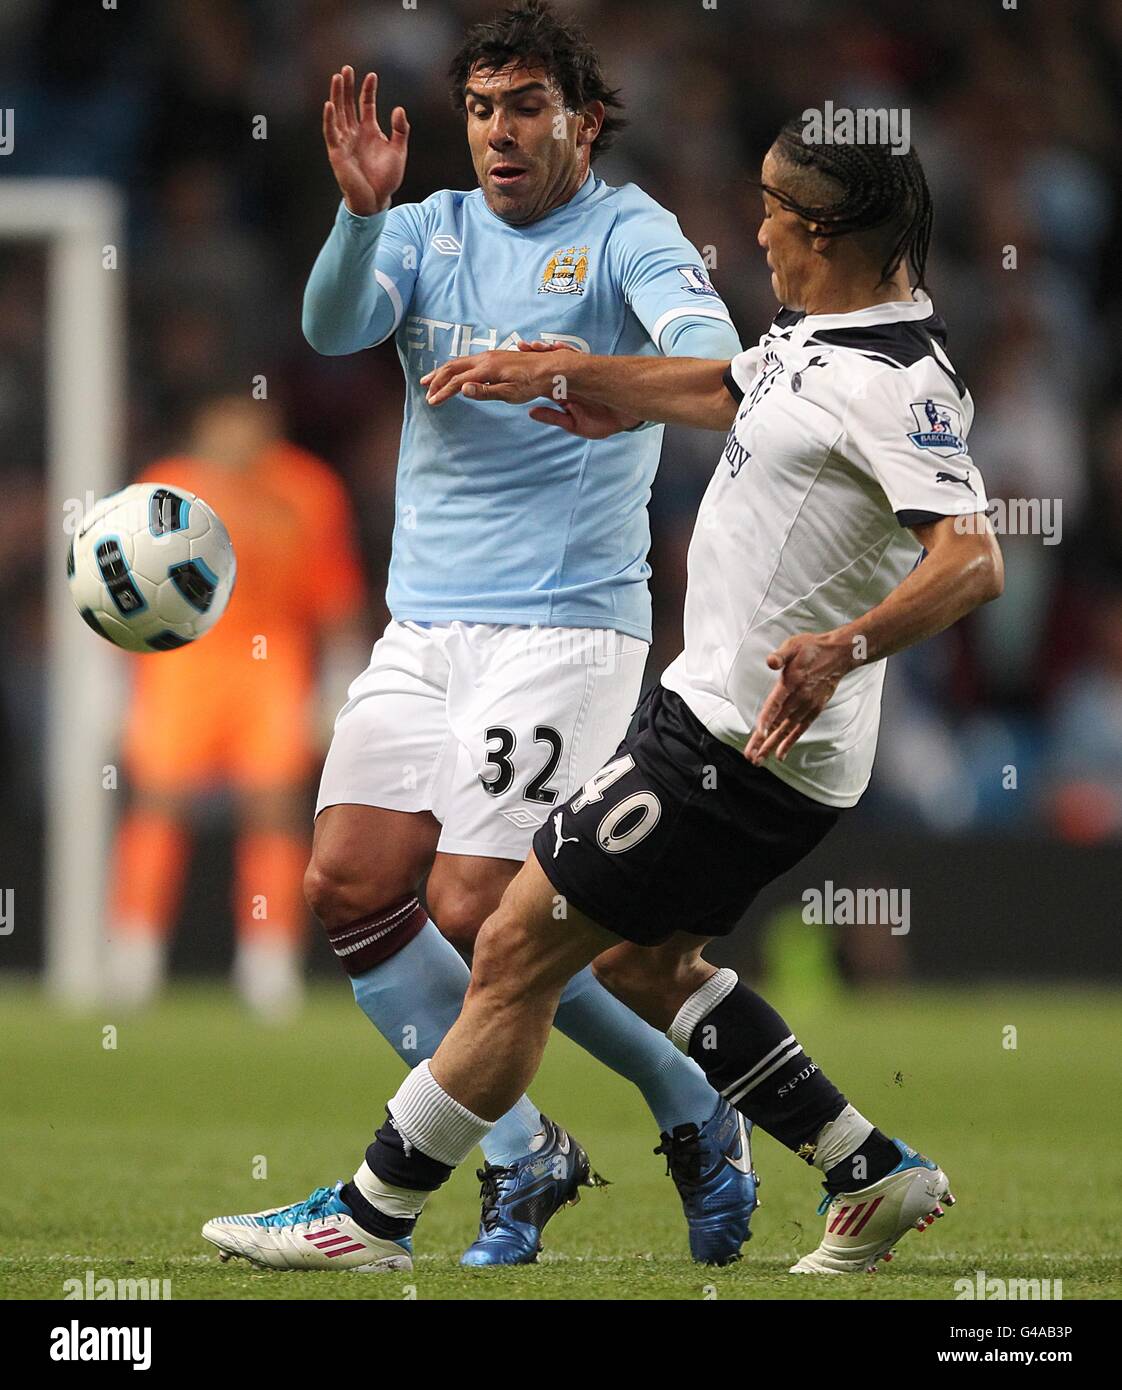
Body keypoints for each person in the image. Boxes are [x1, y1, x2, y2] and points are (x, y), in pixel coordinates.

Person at [202, 116, 1004, 1276]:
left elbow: (973, 557)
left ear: (825, 230)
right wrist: (574, 374)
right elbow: (725, 386)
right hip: (729, 728)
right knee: (636, 961)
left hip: (736, 743)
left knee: (512, 941)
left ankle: (367, 1218)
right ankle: (862, 1162)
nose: (760, 223)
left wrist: (847, 645)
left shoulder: (894, 383)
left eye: (776, 207)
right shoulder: (823, 333)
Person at [211, 0, 756, 1267]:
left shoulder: (629, 230)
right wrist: (356, 214)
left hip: (563, 628)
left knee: (475, 905)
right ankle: (527, 1151)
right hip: (425, 624)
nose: (499, 134)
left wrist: (571, 373)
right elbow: (332, 331)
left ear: (584, 122)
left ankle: (691, 1106)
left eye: (524, 108)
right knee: (349, 888)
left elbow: (724, 375)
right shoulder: (426, 228)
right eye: (480, 109)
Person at [106, 390, 366, 1020]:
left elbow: (336, 595)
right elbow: (121, 590)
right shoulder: (164, 488)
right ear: (203, 426)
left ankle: (268, 959)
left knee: (273, 809)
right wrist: (111, 681)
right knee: (158, 802)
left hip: (274, 662)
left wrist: (338, 684)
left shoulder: (307, 489)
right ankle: (134, 953)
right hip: (181, 661)